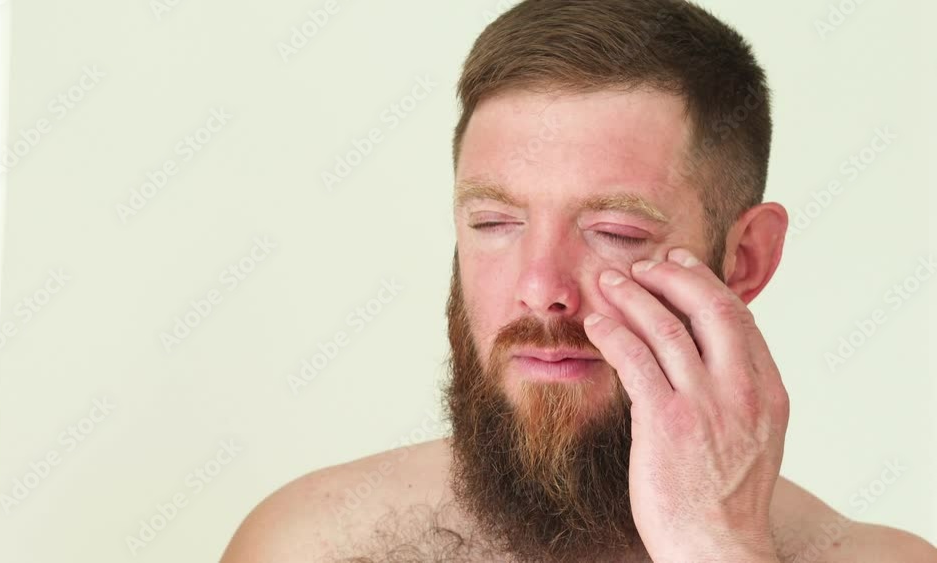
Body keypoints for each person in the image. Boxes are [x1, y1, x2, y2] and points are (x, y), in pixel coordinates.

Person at [220, 1, 937, 561]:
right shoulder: (306, 545)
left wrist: (716, 546)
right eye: (494, 222)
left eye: (615, 232)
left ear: (745, 258)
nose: (541, 288)